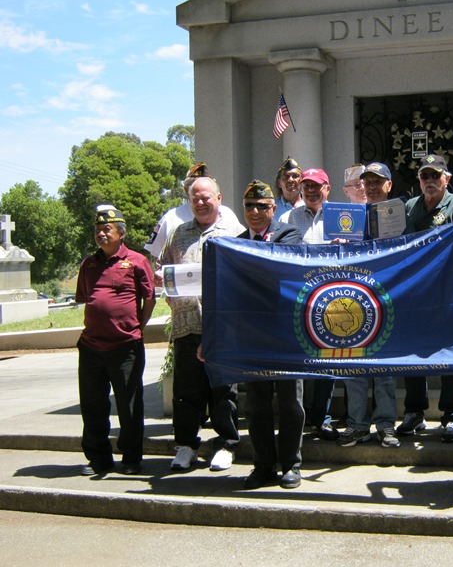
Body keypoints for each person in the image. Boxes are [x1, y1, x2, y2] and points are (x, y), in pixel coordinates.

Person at [160, 177, 245, 471]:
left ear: (218, 198)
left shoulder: (234, 232)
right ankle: (185, 446)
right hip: (186, 324)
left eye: (206, 197)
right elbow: (164, 269)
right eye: (195, 198)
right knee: (186, 390)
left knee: (222, 388)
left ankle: (227, 444)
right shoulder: (177, 234)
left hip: (222, 326)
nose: (200, 202)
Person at [236, 180, 306, 489]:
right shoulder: (234, 242)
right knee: (256, 405)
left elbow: (277, 265)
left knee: (291, 403)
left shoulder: (289, 234)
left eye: (261, 206)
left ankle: (291, 464)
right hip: (253, 335)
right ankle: (263, 465)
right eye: (249, 206)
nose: (254, 212)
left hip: (287, 334)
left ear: (273, 208)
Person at [76, 206, 156, 476]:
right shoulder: (88, 264)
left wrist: (137, 327)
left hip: (125, 347)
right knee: (92, 404)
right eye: (97, 229)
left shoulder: (136, 261)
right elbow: (89, 299)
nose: (101, 233)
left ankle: (131, 458)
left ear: (121, 233)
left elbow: (149, 298)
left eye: (106, 229)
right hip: (91, 347)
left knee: (129, 404)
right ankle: (98, 459)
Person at [398, 154, 453, 442]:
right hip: (417, 295)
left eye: (435, 176)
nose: (429, 181)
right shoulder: (410, 207)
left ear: (446, 179)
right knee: (414, 354)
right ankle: (415, 412)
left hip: (449, 294)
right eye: (425, 176)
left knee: (450, 354)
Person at [337, 161, 400, 448]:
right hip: (356, 302)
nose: (372, 186)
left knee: (385, 369)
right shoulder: (350, 217)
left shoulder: (402, 214)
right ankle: (358, 425)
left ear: (389, 185)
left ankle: (386, 425)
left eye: (378, 181)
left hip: (387, 301)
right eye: (368, 182)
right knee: (354, 366)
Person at [279, 168, 342, 440]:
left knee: (328, 363)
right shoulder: (287, 217)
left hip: (331, 300)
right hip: (299, 301)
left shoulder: (343, 215)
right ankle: (298, 417)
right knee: (300, 362)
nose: (311, 190)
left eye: (317, 186)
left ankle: (322, 418)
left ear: (328, 188)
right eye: (307, 186)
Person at [143, 162, 238, 260]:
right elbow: (158, 257)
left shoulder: (228, 215)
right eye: (194, 184)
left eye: (204, 182)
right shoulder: (170, 218)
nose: (199, 188)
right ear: (186, 189)